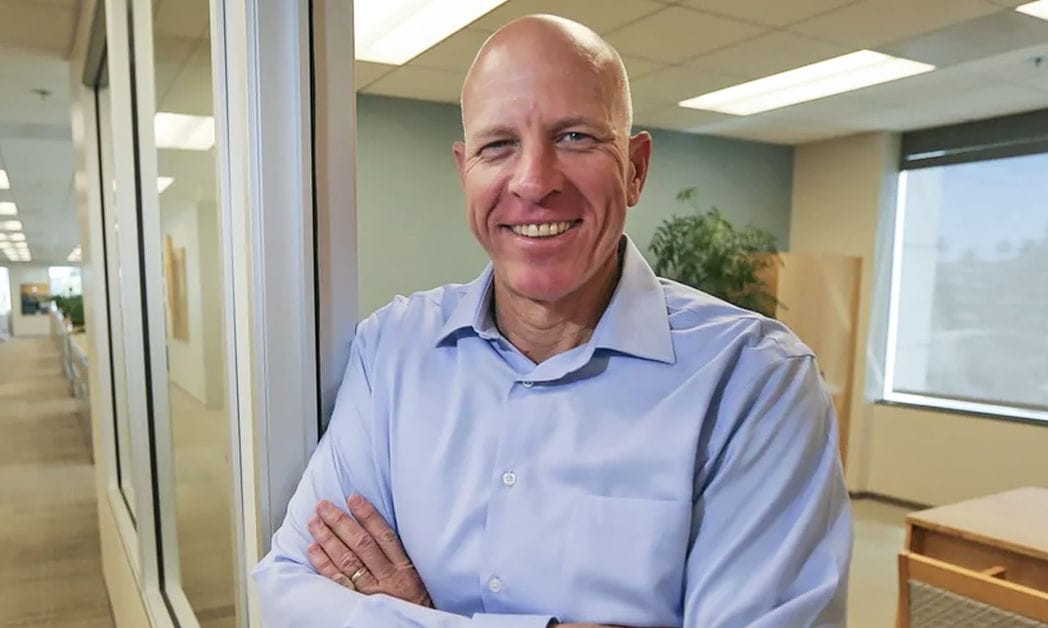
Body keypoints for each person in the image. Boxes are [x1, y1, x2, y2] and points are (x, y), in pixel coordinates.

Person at [255, 14, 851, 628]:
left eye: (575, 137)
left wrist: (412, 617)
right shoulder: (391, 350)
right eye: (498, 145)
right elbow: (285, 593)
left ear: (636, 168)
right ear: (465, 172)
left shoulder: (755, 382)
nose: (534, 181)